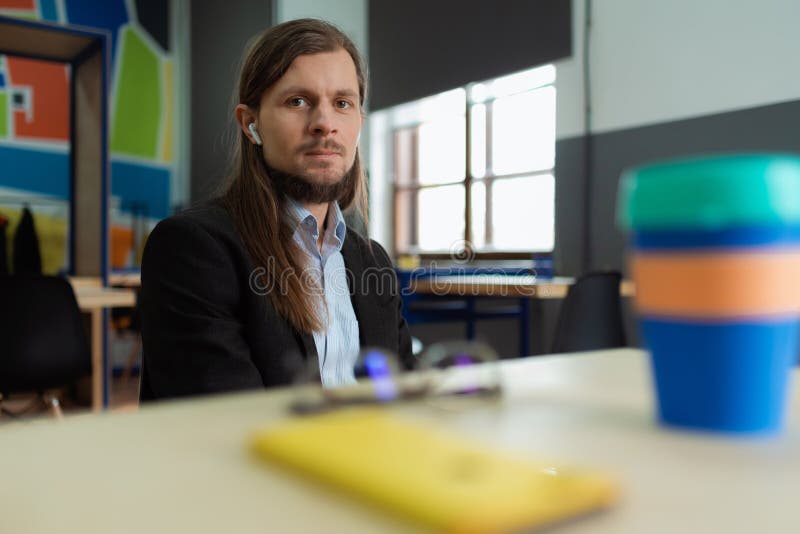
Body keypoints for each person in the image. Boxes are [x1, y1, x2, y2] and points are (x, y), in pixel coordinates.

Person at [139, 19, 411, 400]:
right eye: (298, 101)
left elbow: (400, 395)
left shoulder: (373, 262)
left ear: (359, 123)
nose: (324, 124)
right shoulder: (193, 249)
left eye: (342, 103)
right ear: (251, 124)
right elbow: (223, 423)